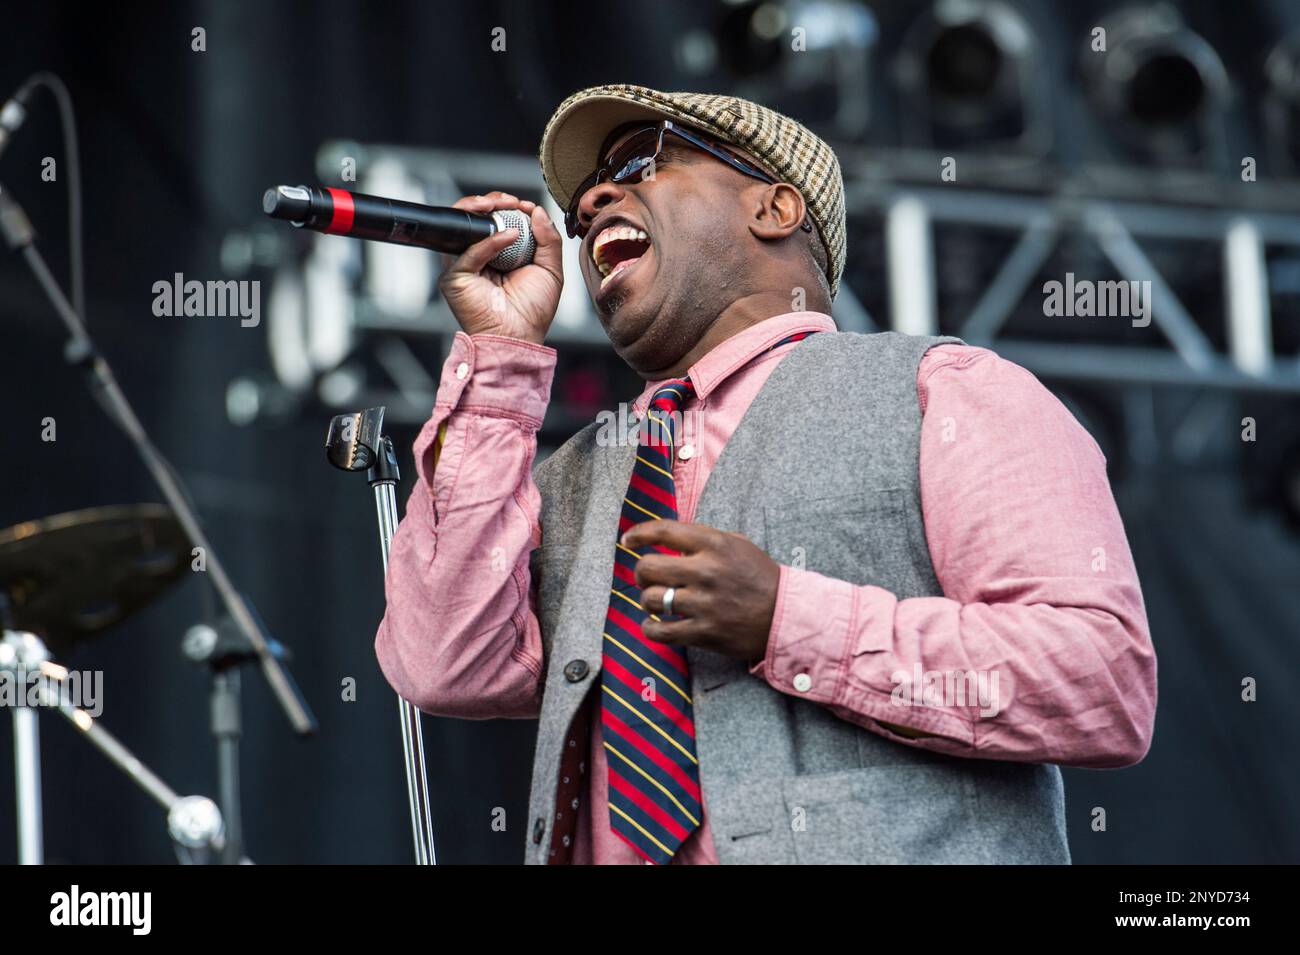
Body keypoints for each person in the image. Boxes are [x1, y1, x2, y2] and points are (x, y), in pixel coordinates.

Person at [375, 84, 1157, 864]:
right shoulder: (567, 478)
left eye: (646, 160)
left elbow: (1102, 680)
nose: (593, 202)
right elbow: (447, 666)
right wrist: (500, 363)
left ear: (776, 208)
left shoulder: (945, 390)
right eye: (583, 204)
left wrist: (789, 619)